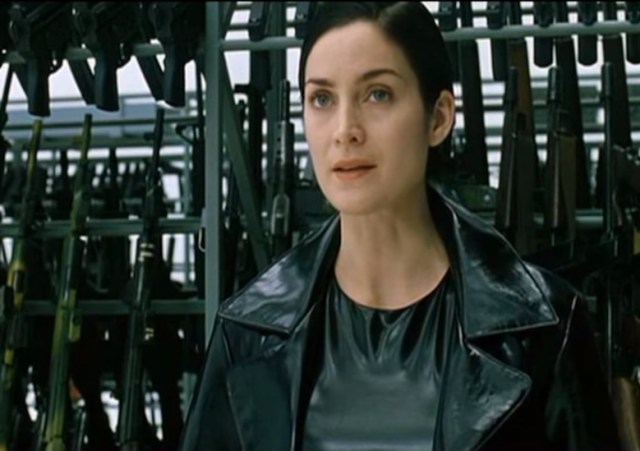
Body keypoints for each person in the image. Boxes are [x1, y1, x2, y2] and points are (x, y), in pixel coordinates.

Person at [178, 2, 622, 450]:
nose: (345, 130)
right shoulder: (248, 334)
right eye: (322, 99)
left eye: (378, 94)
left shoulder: (542, 330)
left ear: (439, 117)